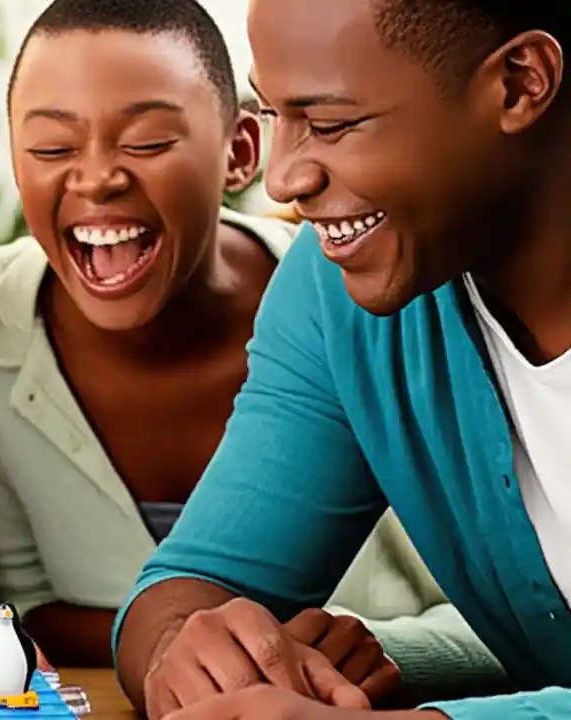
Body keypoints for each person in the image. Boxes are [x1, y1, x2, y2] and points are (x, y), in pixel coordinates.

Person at [0, 0, 503, 697]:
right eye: (53, 148)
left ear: (240, 149)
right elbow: (17, 606)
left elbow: (526, 620)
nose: (95, 179)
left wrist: (388, 648)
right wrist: (188, 644)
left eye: (146, 142)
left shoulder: (368, 295)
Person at [114, 0, 571, 717]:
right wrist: (202, 656)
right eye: (273, 117)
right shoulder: (337, 294)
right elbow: (197, 582)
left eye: (329, 125)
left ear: (520, 83)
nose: (282, 179)